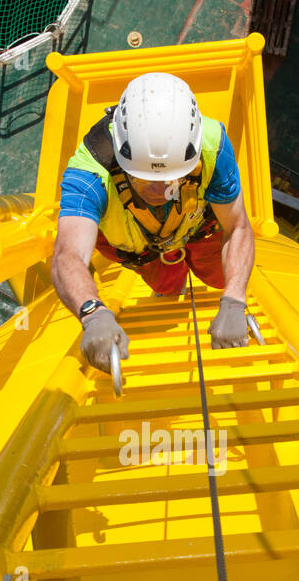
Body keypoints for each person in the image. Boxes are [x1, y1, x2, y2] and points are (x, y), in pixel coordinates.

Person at [51, 71, 255, 375]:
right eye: (145, 179)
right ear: (121, 157)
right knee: (167, 285)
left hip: (197, 226)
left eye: (172, 176)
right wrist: (92, 313)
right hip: (141, 249)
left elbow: (237, 226)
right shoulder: (90, 170)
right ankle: (169, 286)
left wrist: (235, 299)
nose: (160, 191)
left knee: (221, 280)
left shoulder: (212, 144)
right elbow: (68, 255)